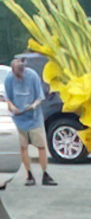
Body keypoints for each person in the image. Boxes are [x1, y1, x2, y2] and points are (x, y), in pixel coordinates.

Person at [4, 57, 57, 186]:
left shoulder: (32, 76)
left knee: (41, 146)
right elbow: (8, 98)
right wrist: (13, 108)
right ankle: (29, 175)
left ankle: (45, 173)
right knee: (23, 147)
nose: (19, 76)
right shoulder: (9, 79)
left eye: (20, 73)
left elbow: (40, 97)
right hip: (19, 120)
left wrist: (34, 105)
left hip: (34, 118)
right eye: (17, 74)